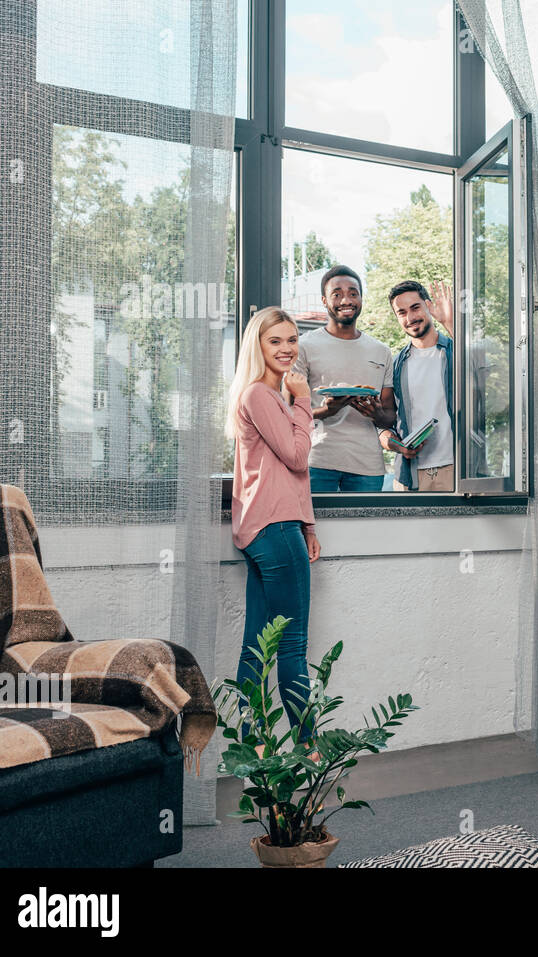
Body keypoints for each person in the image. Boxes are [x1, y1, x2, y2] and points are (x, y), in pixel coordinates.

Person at [225, 306, 320, 746]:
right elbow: (299, 458)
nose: (286, 349)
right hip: (275, 531)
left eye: (291, 340)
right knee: (292, 646)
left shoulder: (264, 397)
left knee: (257, 647)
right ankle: (308, 748)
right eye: (274, 341)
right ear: (257, 346)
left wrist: (309, 525)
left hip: (270, 529)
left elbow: (287, 475)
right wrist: (304, 401)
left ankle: (253, 743)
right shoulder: (262, 396)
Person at [292, 264, 394, 491]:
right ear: (324, 300)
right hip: (317, 461)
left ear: (361, 299)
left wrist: (377, 415)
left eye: (353, 293)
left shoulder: (381, 351)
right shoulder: (305, 346)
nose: (346, 300)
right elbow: (289, 412)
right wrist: (328, 411)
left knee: (363, 528)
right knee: (315, 528)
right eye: (336, 294)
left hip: (368, 467)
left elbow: (390, 416)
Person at [378, 280, 457, 491]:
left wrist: (450, 323)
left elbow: (480, 372)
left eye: (415, 307)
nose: (410, 317)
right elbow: (383, 426)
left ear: (428, 306)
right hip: (409, 476)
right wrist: (398, 446)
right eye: (401, 312)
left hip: (457, 471)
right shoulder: (394, 366)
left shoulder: (455, 352)